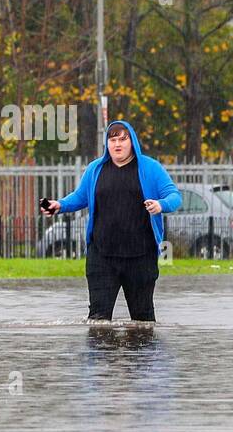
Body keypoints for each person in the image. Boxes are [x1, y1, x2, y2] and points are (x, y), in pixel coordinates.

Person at [40, 120, 180, 321]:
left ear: (132, 142)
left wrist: (161, 205)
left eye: (123, 139)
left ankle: (142, 353)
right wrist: (59, 205)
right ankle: (100, 353)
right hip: (102, 256)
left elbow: (174, 196)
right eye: (113, 139)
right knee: (98, 320)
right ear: (107, 143)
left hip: (141, 257)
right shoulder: (95, 169)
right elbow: (81, 197)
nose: (117, 144)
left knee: (143, 322)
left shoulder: (150, 168)